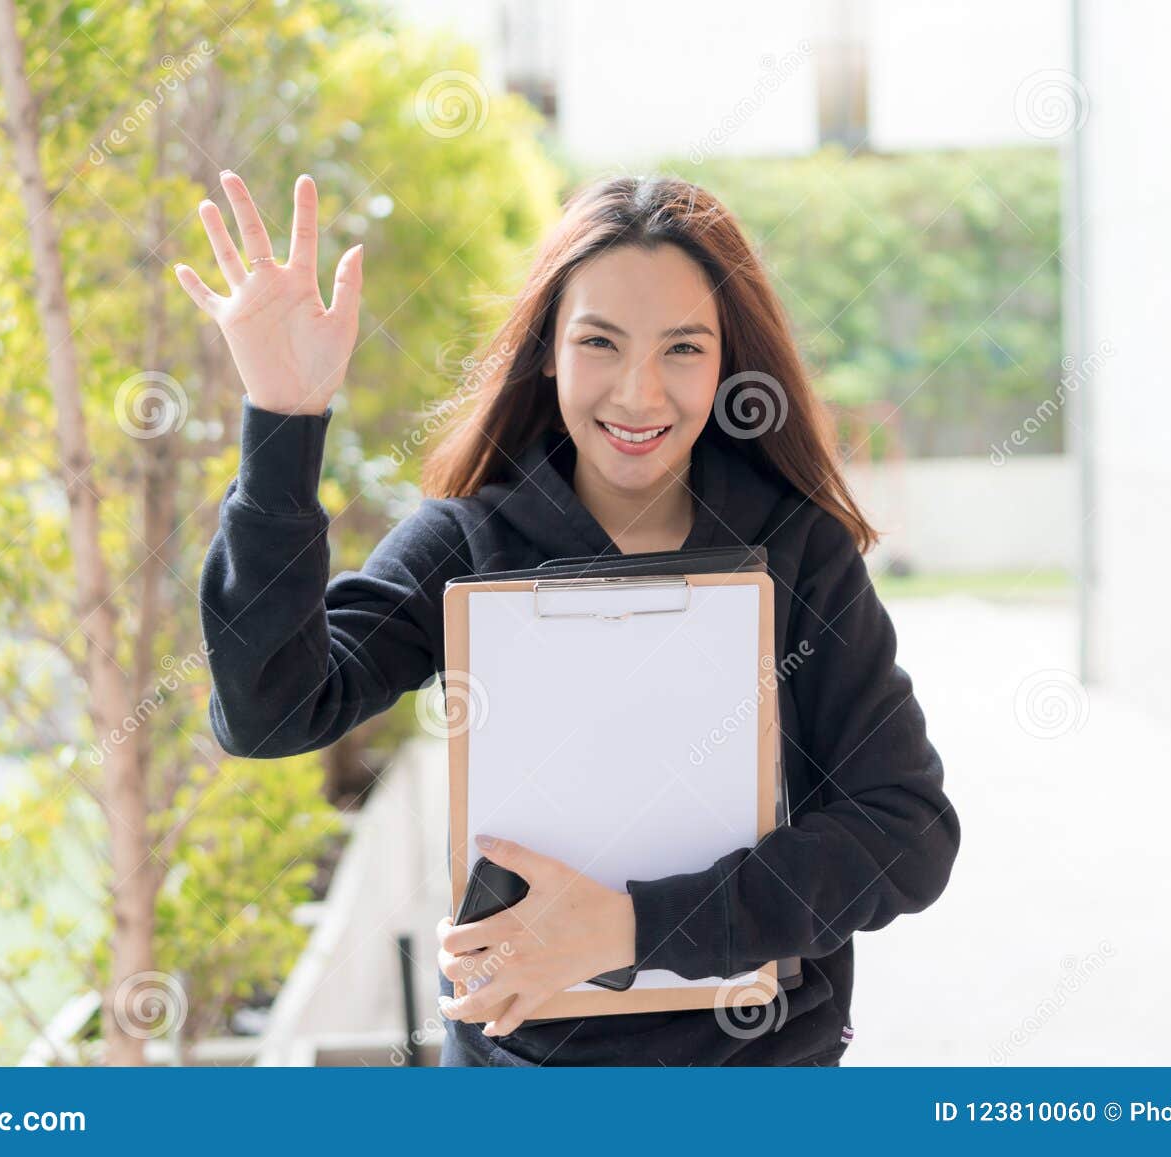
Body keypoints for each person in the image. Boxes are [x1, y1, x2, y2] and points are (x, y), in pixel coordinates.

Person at [179, 169, 961, 1067]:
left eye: (683, 347)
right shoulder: (467, 544)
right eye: (599, 342)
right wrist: (283, 419)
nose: (639, 394)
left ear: (727, 361)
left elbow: (908, 832)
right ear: (547, 349)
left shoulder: (797, 550)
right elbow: (269, 710)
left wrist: (629, 926)